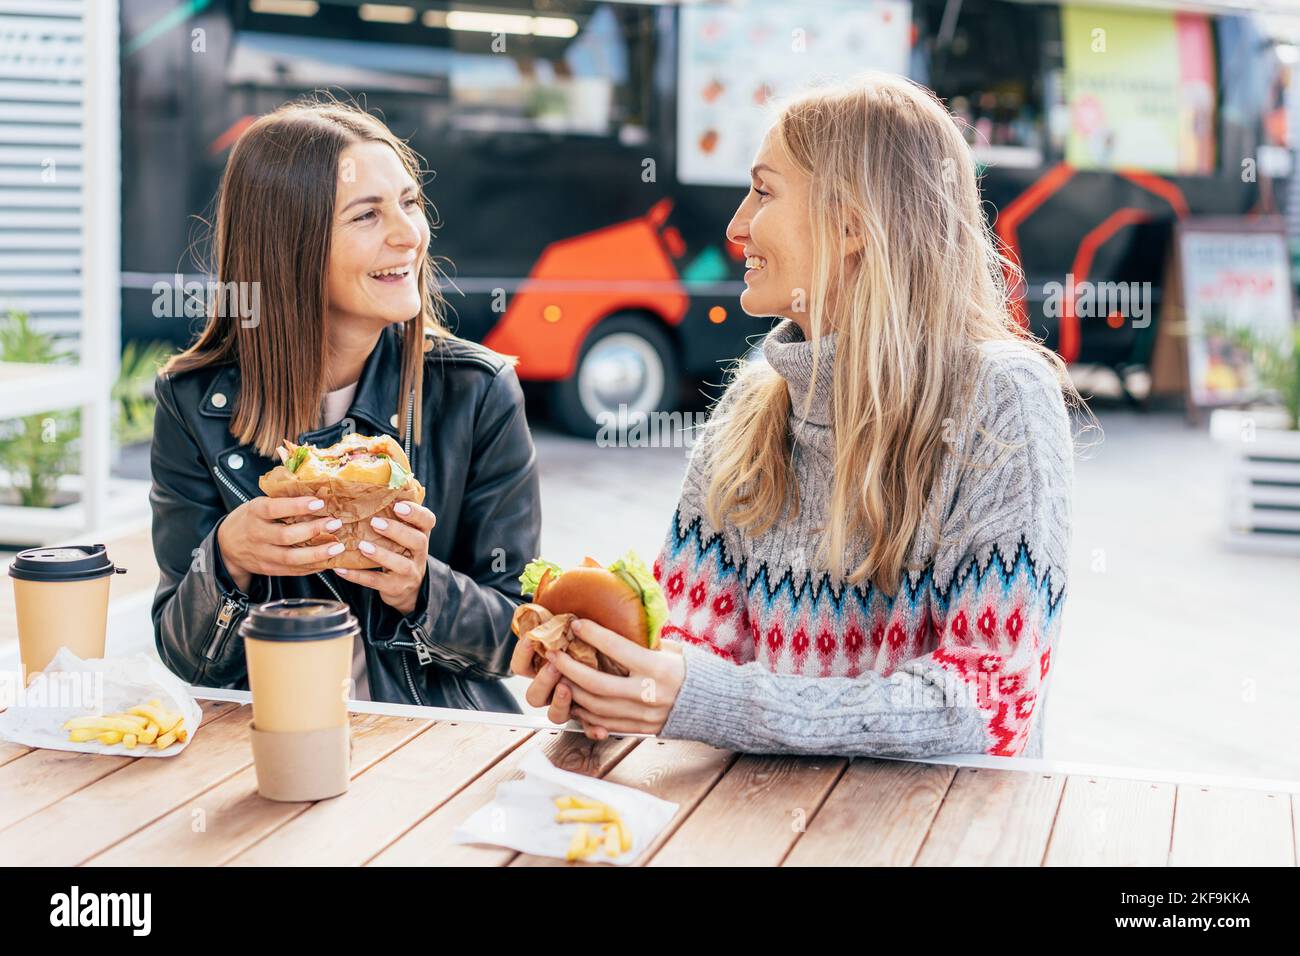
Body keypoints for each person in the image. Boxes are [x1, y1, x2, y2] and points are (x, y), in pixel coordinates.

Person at [517, 74, 1085, 757]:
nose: (735, 227)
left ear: (850, 223)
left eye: (763, 191)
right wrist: (606, 681)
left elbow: (990, 698)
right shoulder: (756, 401)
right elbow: (690, 643)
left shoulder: (1004, 398)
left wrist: (697, 699)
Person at [150, 98, 539, 711]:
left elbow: (520, 634)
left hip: (434, 745)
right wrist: (227, 559)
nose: (410, 234)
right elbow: (186, 657)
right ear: (289, 248)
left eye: (410, 203)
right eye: (367, 215)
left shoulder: (476, 390)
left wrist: (422, 587)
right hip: (269, 738)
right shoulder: (193, 404)